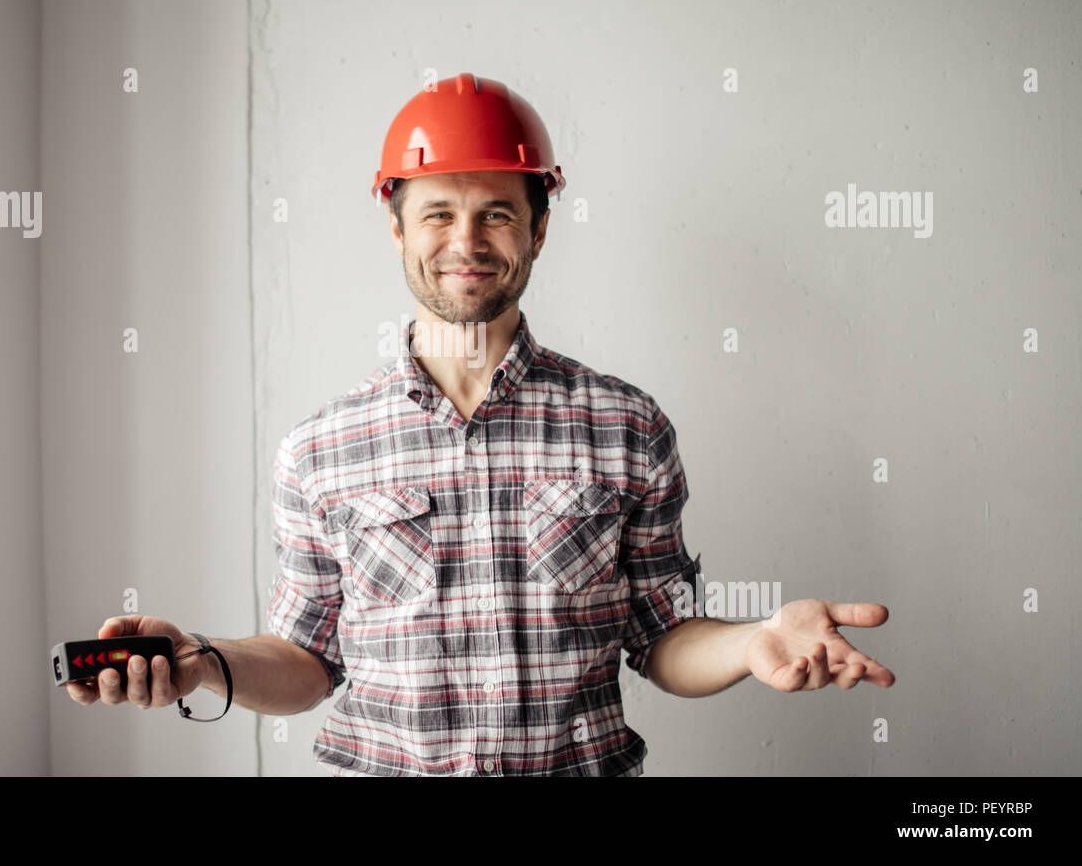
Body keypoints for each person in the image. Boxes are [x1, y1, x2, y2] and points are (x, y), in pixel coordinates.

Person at [66, 73, 895, 776]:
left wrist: (754, 641)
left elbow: (664, 639)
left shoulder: (627, 427)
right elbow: (310, 662)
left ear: (539, 225)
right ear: (395, 227)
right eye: (436, 214)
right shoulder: (319, 451)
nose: (467, 241)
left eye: (497, 212)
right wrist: (199, 664)